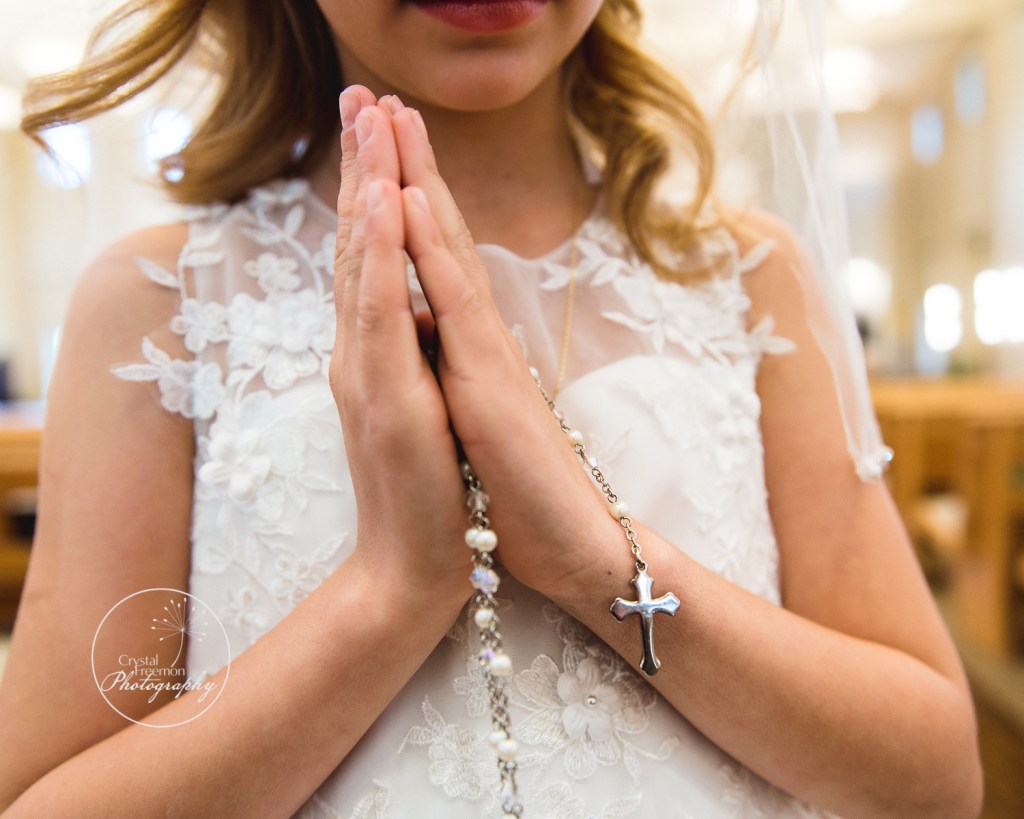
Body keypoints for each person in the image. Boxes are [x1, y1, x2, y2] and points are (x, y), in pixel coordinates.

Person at [0, 0, 983, 816]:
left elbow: (937, 780)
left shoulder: (750, 279)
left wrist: (596, 563)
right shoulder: (160, 306)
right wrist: (391, 593)